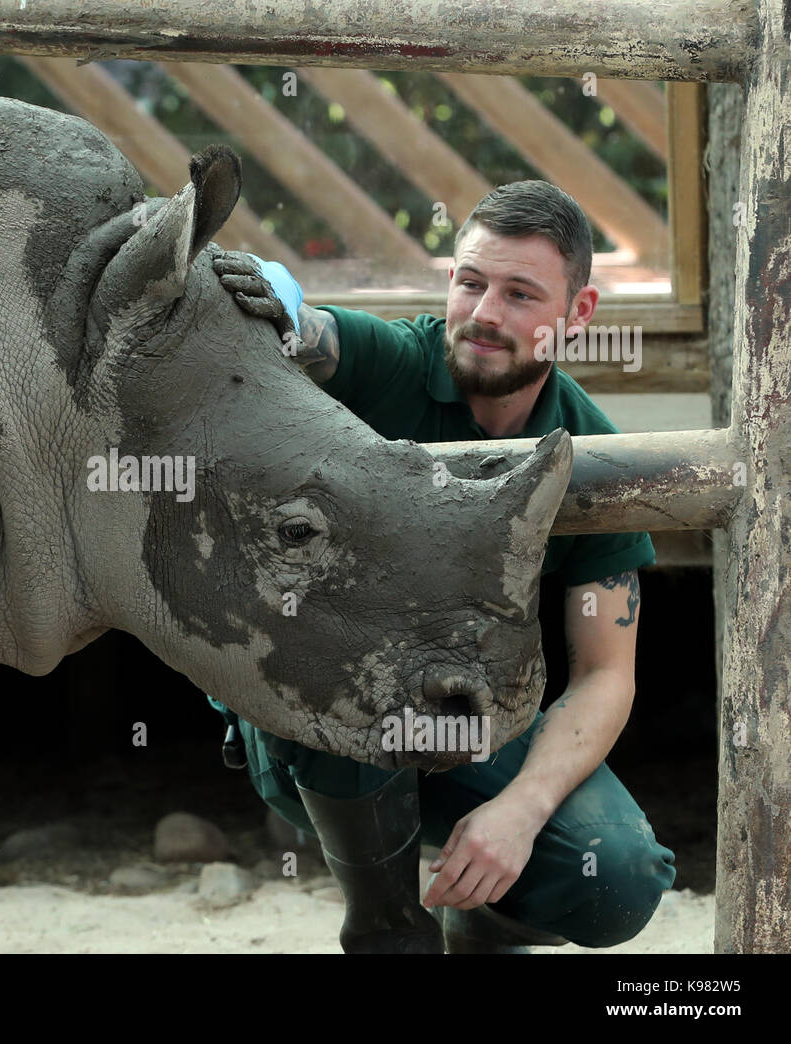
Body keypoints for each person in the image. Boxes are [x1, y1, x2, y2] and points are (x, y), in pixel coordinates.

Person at [208, 180, 676, 954]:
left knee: (618, 877)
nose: (486, 313)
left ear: (578, 317)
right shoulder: (392, 365)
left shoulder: (592, 448)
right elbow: (309, 331)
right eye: (470, 281)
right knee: (349, 649)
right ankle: (387, 929)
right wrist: (282, 293)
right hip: (319, 732)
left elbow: (605, 675)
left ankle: (482, 922)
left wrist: (520, 812)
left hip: (473, 723)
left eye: (521, 294)